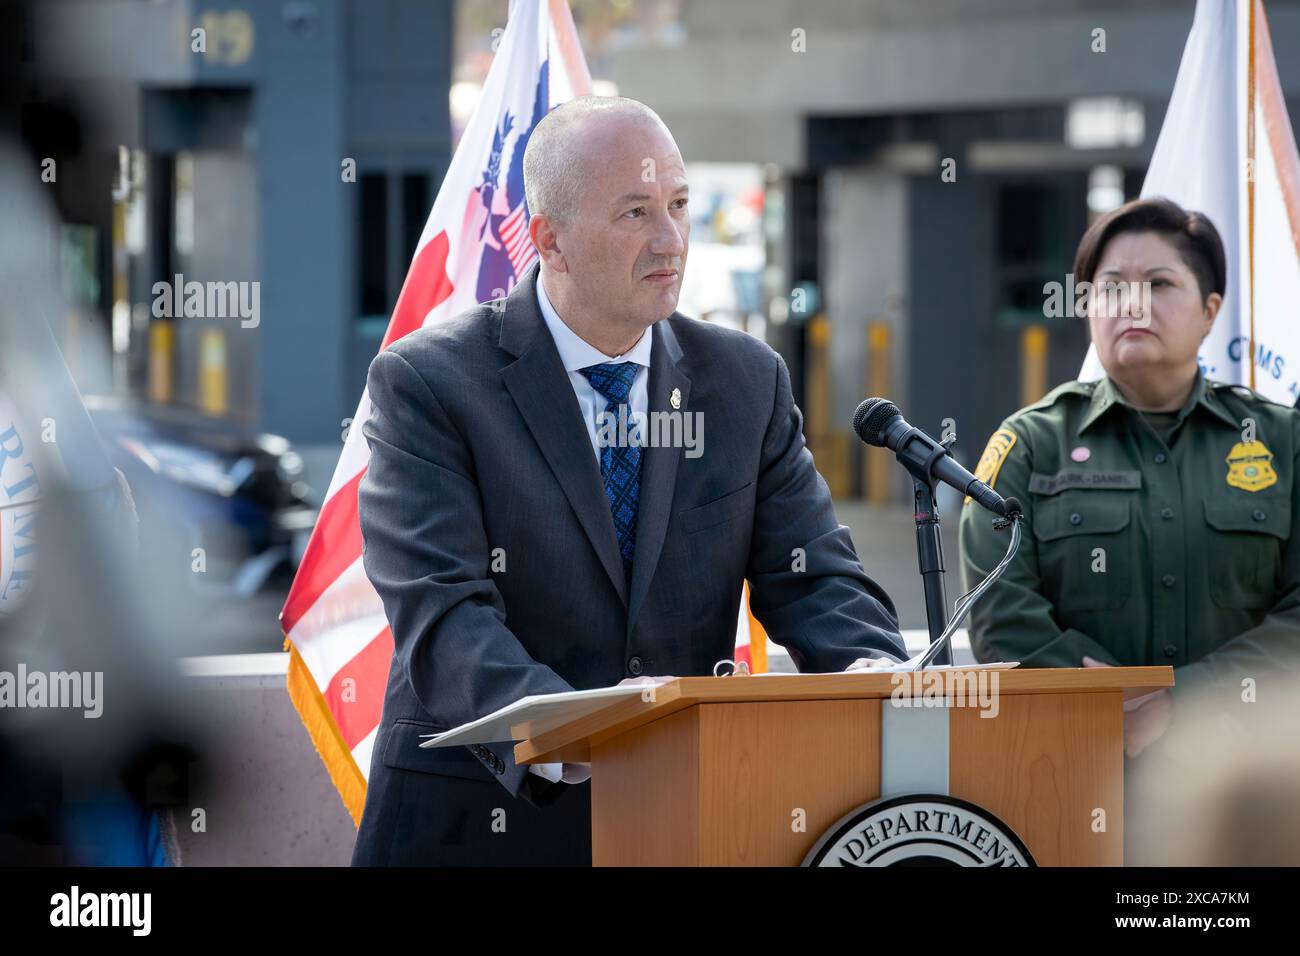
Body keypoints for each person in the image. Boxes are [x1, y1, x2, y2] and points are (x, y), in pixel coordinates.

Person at [352, 96, 905, 866]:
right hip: (480, 823)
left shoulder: (745, 381)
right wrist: (585, 733)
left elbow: (812, 577)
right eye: (635, 213)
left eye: (679, 205)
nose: (671, 240)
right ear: (551, 239)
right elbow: (443, 613)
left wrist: (867, 667)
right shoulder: (429, 382)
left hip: (683, 818)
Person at [959, 196, 1300, 774]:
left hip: (1251, 780)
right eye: (1110, 286)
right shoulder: (1030, 445)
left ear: (1211, 310)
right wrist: (1110, 703)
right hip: (1073, 770)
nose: (1132, 302)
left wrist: (1184, 701)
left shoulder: (1281, 440)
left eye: (1160, 283)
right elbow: (999, 611)